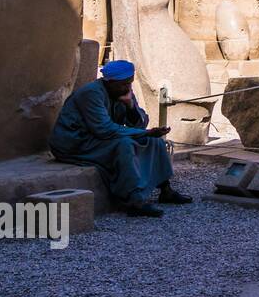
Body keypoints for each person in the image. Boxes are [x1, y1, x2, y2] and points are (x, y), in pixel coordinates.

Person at [49, 60, 192, 218]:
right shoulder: (91, 93)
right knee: (124, 144)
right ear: (109, 82)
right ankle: (134, 201)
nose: (128, 88)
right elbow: (103, 129)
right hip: (76, 143)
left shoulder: (122, 91)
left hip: (99, 138)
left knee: (154, 140)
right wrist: (145, 133)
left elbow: (140, 124)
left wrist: (130, 106)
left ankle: (166, 190)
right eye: (124, 84)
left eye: (130, 83)